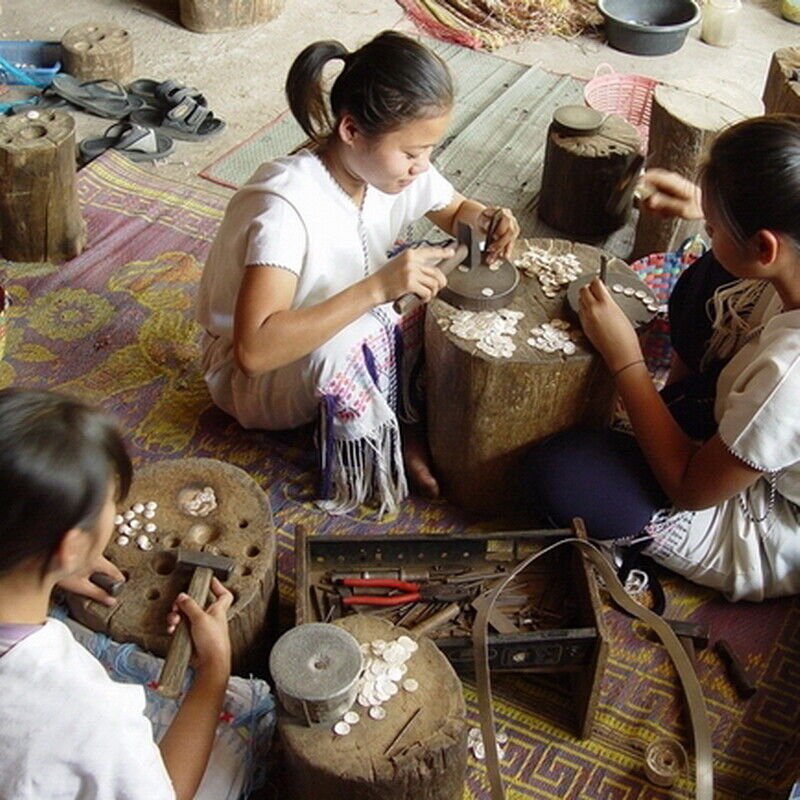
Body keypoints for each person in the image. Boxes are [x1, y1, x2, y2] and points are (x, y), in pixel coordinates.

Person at [196, 31, 519, 516]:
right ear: (350, 130)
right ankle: (381, 445)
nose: (420, 167)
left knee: (431, 271)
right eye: (411, 153)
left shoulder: (384, 168)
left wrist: (487, 219)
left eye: (428, 151)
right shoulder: (286, 206)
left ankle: (400, 413)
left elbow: (454, 210)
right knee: (379, 314)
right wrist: (378, 289)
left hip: (329, 318)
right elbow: (253, 352)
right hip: (254, 375)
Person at [521, 115, 800, 602]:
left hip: (758, 516)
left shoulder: (787, 381)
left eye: (713, 226)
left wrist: (626, 359)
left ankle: (670, 429)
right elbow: (749, 248)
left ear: (764, 246)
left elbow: (690, 490)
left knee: (561, 473)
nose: (704, 229)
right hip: (740, 427)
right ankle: (678, 411)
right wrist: (707, 204)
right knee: (708, 274)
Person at [0, 387, 273, 799]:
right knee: (240, 730)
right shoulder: (93, 714)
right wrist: (214, 672)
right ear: (69, 546)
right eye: (112, 505)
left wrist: (48, 569)